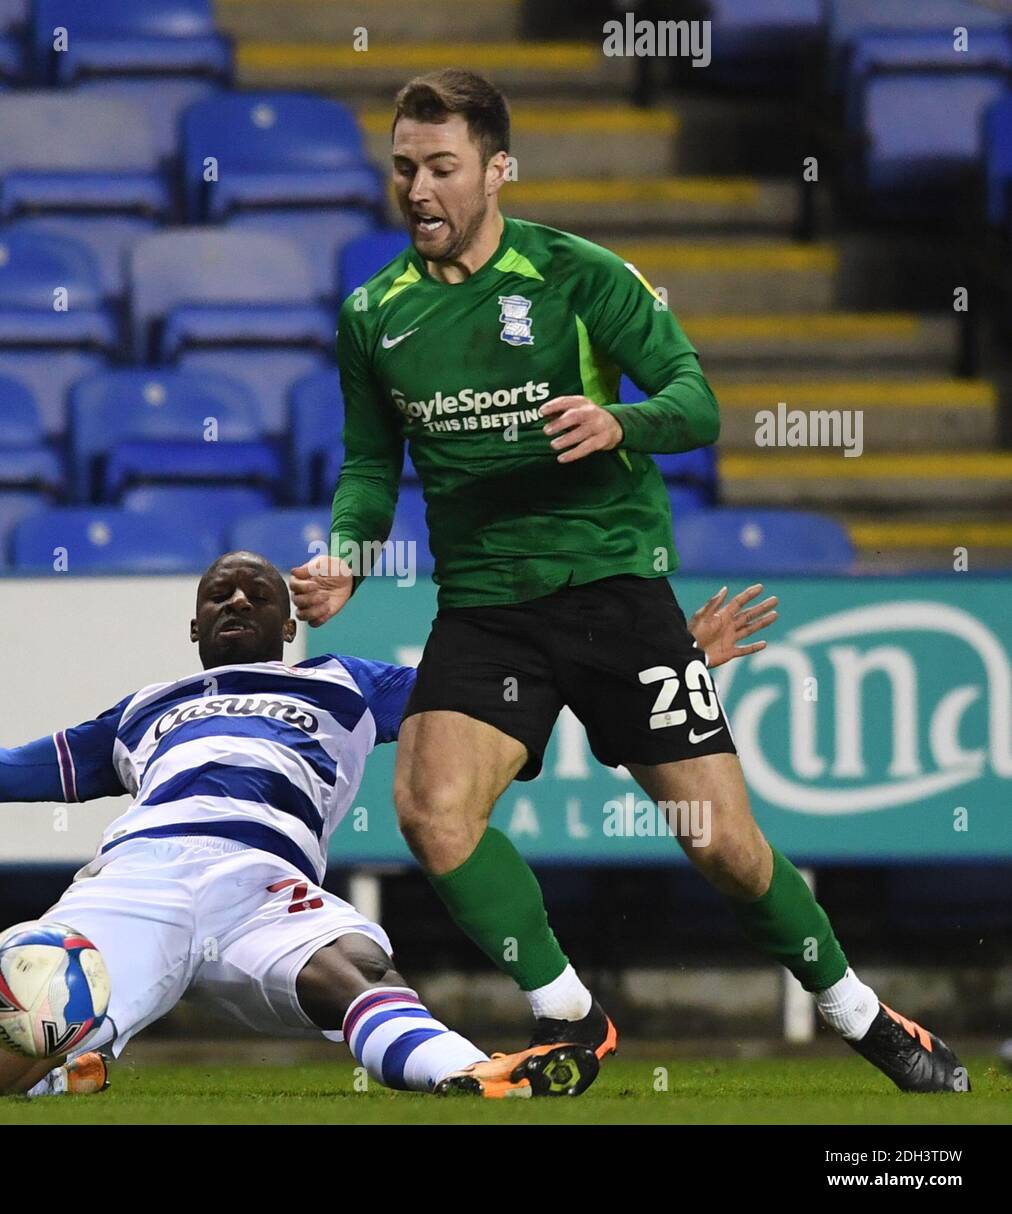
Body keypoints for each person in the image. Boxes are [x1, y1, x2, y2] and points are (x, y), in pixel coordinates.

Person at [289, 68, 967, 1095]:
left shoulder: (579, 275)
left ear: (497, 169)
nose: (417, 189)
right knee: (430, 809)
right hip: (486, 606)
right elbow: (373, 465)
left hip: (613, 593)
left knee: (727, 849)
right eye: (402, 168)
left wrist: (620, 422)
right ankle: (571, 1015)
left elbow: (696, 404)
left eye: (440, 167)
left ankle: (859, 1011)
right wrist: (347, 549)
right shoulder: (373, 315)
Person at [0, 551, 774, 1099]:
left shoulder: (349, 683)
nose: (237, 599)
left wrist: (669, 664)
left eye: (256, 592)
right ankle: (65, 1065)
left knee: (354, 972)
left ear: (292, 621)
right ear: (195, 627)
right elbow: (4, 775)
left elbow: (507, 703)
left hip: (265, 886)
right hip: (134, 885)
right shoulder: (141, 708)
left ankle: (470, 1076)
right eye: (218, 594)